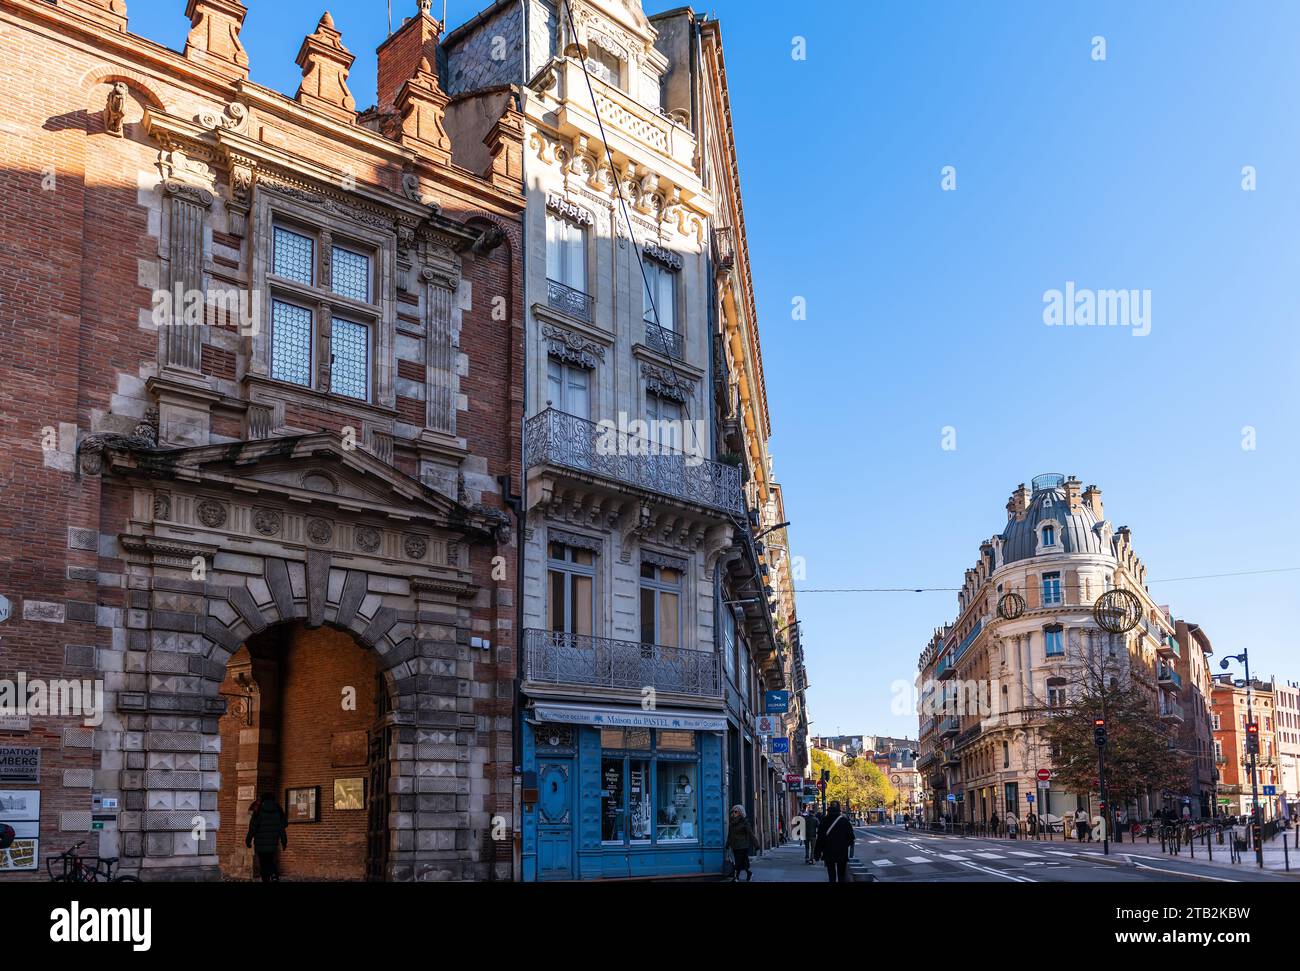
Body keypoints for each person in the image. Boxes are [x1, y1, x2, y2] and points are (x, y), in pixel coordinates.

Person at [245, 793, 288, 882]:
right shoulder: (277, 809)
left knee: (263, 862)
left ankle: (266, 879)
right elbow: (283, 826)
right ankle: (274, 875)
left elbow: (252, 827)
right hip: (273, 842)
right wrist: (284, 841)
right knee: (270, 860)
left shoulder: (258, 810)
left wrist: (248, 840)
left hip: (260, 843)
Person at [814, 800, 856, 883]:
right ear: (839, 810)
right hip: (842, 851)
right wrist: (845, 845)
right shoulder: (844, 821)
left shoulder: (824, 821)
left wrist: (817, 853)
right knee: (841, 874)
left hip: (828, 851)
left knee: (831, 874)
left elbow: (820, 838)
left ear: (829, 810)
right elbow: (851, 838)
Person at [726, 805, 756, 882]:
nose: (734, 813)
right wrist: (727, 844)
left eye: (736, 811)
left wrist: (756, 844)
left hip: (742, 846)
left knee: (738, 862)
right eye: (733, 811)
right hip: (735, 845)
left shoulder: (744, 822)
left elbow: (750, 833)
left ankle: (736, 877)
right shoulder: (732, 822)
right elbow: (730, 834)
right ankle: (749, 874)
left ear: (740, 813)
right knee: (742, 862)